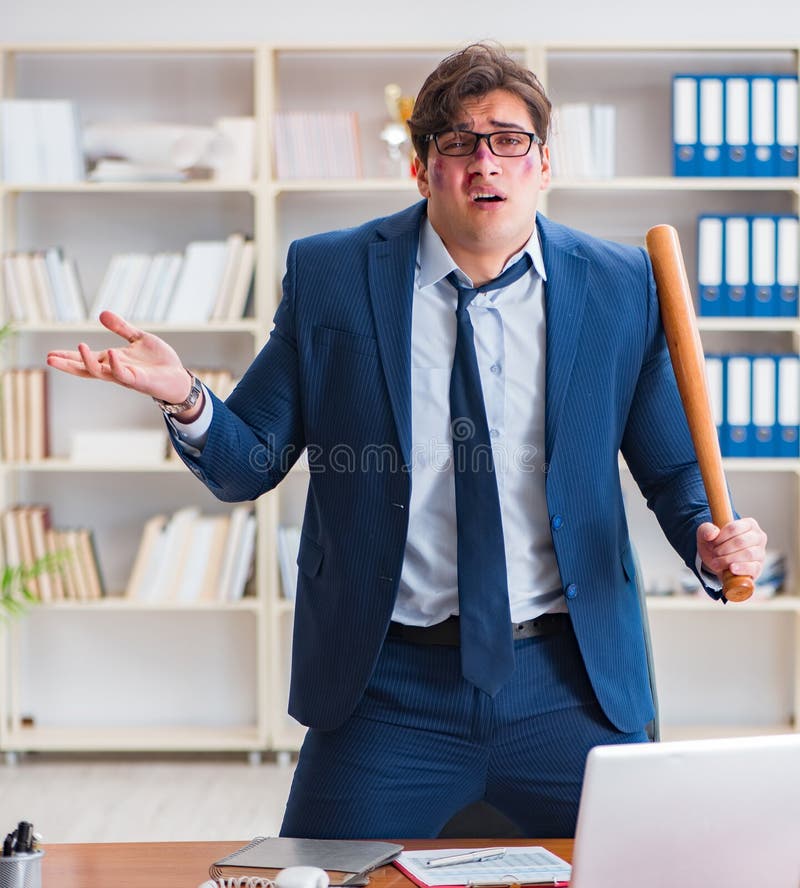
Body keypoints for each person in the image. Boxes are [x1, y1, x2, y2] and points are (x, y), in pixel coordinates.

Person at [48, 42, 767, 839]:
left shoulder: (619, 284)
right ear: (422, 170)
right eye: (457, 143)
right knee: (311, 872)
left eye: (508, 140)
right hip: (388, 686)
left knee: (643, 868)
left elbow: (672, 471)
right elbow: (248, 462)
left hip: (569, 682)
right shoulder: (332, 275)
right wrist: (186, 397)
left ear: (544, 164)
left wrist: (709, 539)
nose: (484, 162)